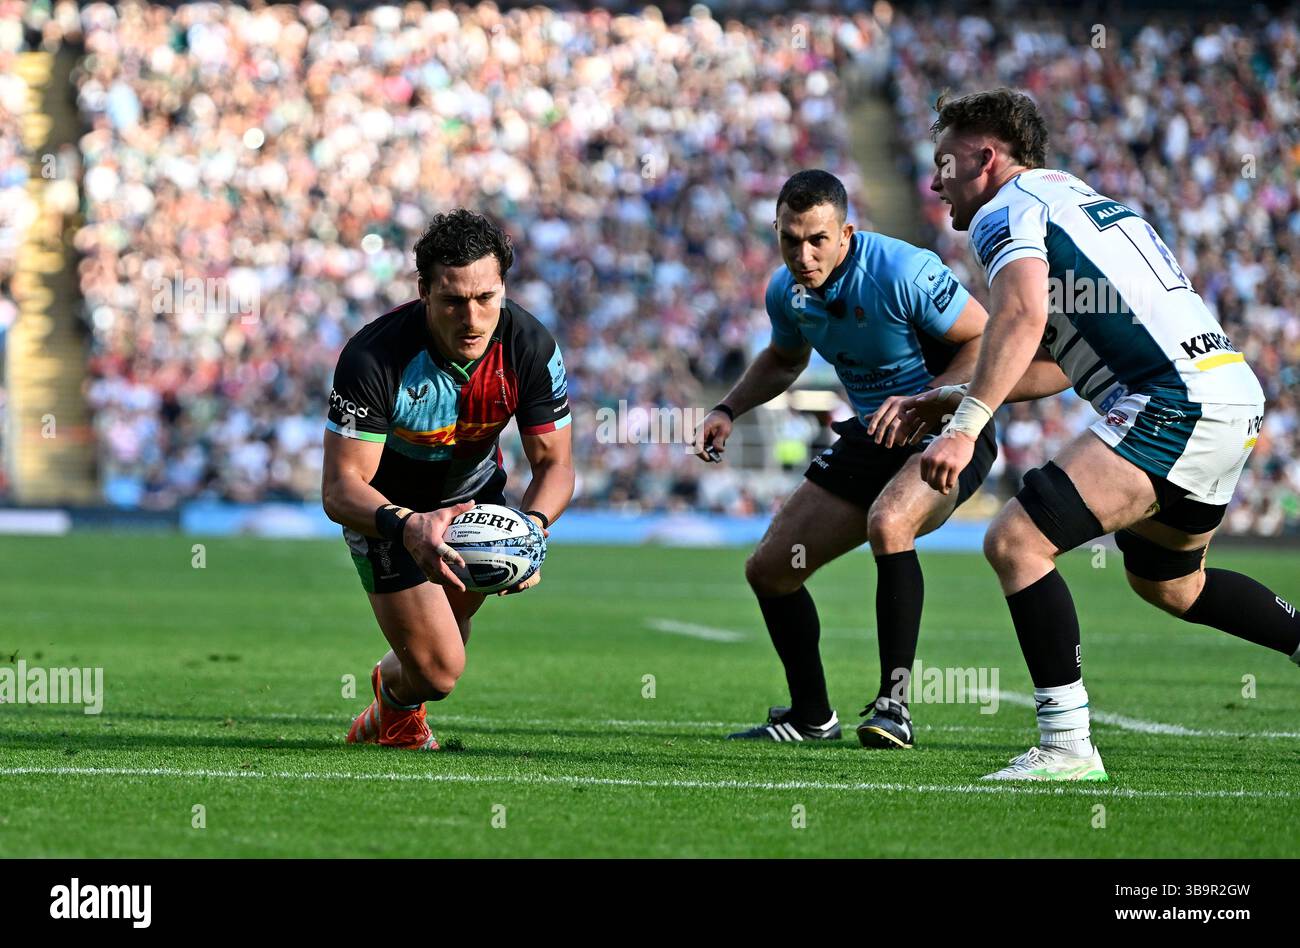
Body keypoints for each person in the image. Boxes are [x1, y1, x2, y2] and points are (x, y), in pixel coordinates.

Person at [910, 88, 1300, 780]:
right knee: (1172, 584)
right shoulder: (1073, 198)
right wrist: (956, 396)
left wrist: (966, 428)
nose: (936, 180)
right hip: (1227, 393)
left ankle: (1066, 745)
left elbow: (1023, 315)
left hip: (1174, 401)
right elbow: (1061, 360)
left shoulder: (1004, 210)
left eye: (945, 162)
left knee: (1015, 541)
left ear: (986, 155)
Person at [693, 170, 996, 747]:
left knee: (890, 522)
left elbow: (984, 341)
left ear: (846, 234)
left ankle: (895, 707)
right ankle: (811, 718)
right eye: (789, 239)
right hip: (873, 435)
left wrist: (930, 403)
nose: (803, 255)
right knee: (770, 571)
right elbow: (784, 360)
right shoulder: (786, 292)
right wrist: (729, 409)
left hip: (954, 428)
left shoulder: (902, 270)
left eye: (817, 240)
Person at [321, 210, 574, 750]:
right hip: (388, 513)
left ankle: (392, 706)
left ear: (504, 287)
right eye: (453, 300)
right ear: (423, 292)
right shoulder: (373, 356)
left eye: (486, 298)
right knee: (439, 672)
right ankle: (398, 701)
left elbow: (555, 464)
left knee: (440, 650)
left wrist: (530, 530)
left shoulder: (529, 346)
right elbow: (340, 489)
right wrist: (408, 525)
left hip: (471, 507)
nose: (473, 318)